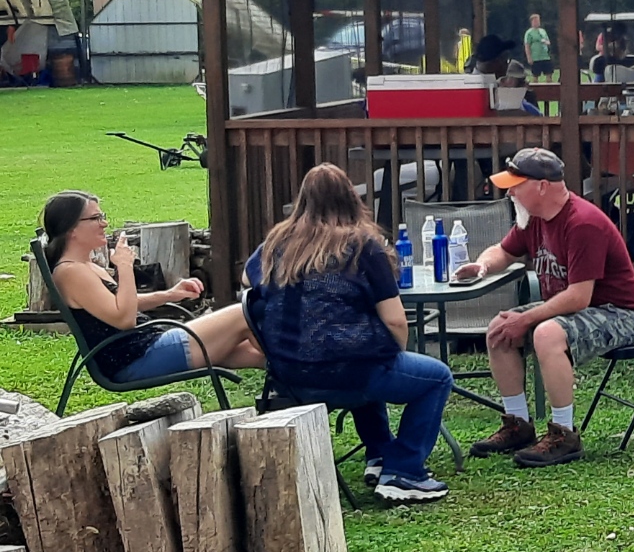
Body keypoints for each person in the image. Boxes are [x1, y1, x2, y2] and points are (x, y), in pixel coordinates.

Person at [243, 164, 454, 503]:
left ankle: (379, 454)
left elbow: (246, 282)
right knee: (434, 376)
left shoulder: (276, 242)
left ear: (303, 201)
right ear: (351, 200)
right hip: (349, 372)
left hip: (290, 376)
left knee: (363, 358)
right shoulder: (362, 246)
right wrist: (395, 354)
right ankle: (404, 471)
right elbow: (396, 320)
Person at [459, 149, 634, 468]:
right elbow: (503, 252)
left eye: (516, 184)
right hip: (570, 308)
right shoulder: (533, 218)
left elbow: (578, 297)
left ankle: (564, 434)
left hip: (620, 312)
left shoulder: (583, 222)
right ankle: (517, 424)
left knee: (546, 334)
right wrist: (481, 266)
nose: (510, 191)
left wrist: (527, 319)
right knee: (499, 329)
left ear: (543, 186)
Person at [41, 190, 265, 383]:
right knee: (243, 314)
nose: (104, 223)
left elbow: (119, 305)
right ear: (72, 229)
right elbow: (124, 318)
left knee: (254, 352)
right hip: (136, 358)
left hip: (146, 345)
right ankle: (293, 381)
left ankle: (292, 385)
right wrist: (125, 266)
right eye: (96, 218)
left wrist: (169, 295)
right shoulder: (71, 272)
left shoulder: (84, 266)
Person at [523, 14, 554, 79]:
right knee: (535, 76)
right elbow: (527, 45)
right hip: (535, 58)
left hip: (545, 57)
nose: (537, 22)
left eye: (538, 20)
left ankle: (549, 88)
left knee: (549, 74)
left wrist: (546, 42)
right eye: (536, 21)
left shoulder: (543, 31)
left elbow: (549, 42)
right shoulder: (529, 33)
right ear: (532, 22)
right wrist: (529, 58)